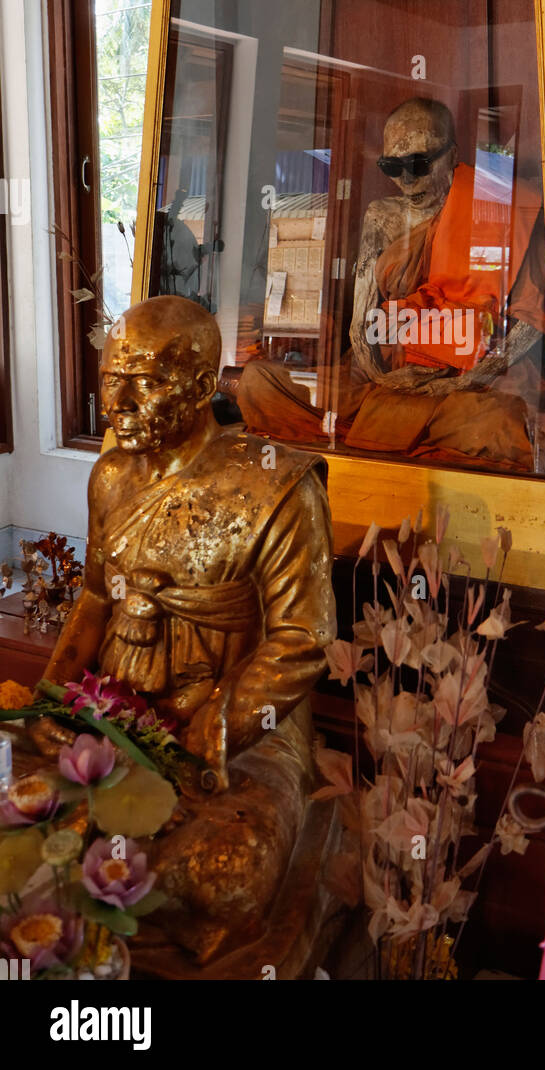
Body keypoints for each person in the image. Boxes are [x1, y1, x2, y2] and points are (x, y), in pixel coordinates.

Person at [33, 294, 336, 966]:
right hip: (110, 708)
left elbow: (303, 638)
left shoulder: (276, 487)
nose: (119, 402)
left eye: (144, 383)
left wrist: (220, 727)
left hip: (231, 735)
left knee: (228, 868)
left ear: (202, 387)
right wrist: (51, 702)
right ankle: (96, 893)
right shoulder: (112, 476)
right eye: (112, 378)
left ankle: (90, 897)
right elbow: (91, 599)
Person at [229, 98, 545, 471]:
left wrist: (454, 385)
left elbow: (528, 320)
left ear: (453, 154)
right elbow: (360, 326)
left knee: (496, 422)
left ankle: (376, 430)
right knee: (259, 381)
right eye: (392, 167)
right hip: (380, 376)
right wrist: (386, 379)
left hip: (469, 379)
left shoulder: (493, 208)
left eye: (418, 164)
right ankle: (377, 426)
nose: (407, 180)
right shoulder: (383, 216)